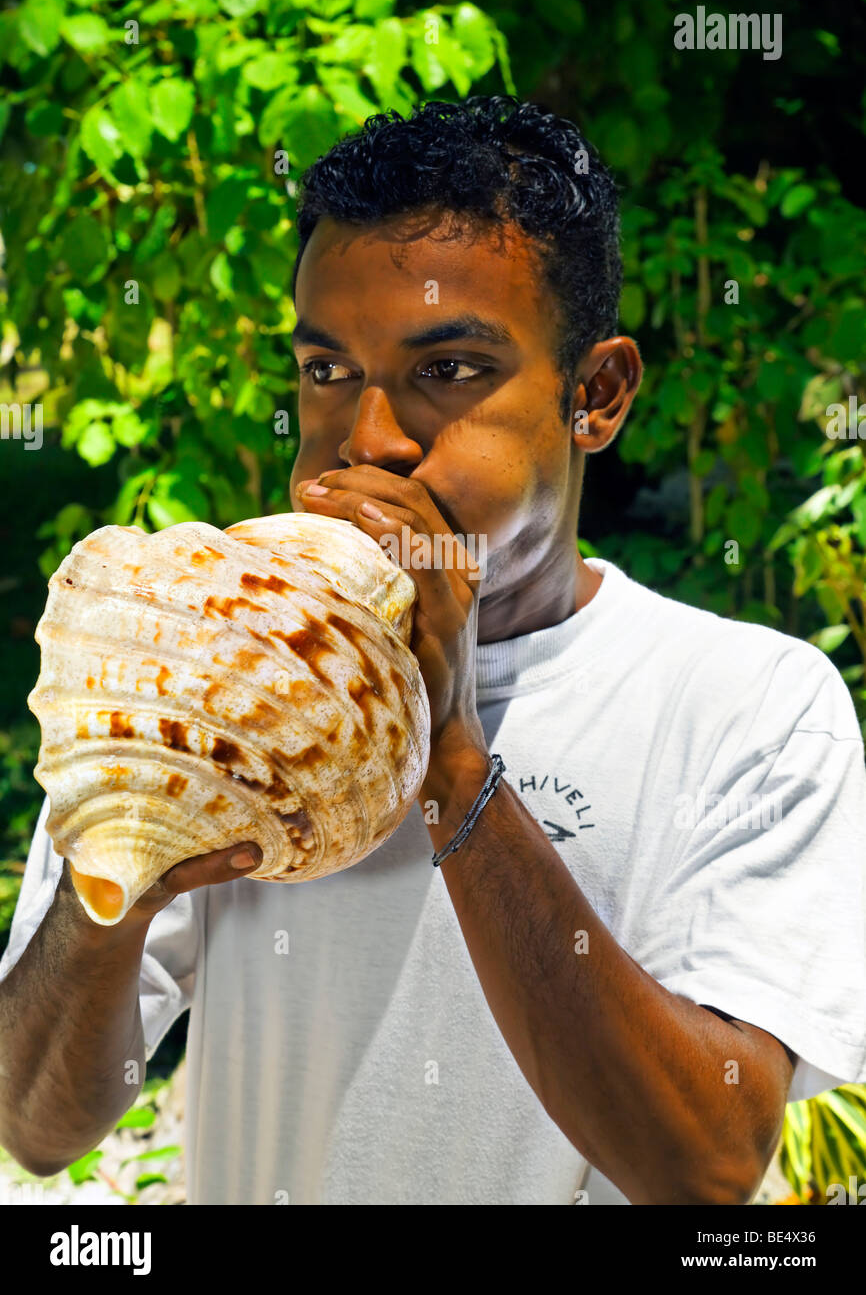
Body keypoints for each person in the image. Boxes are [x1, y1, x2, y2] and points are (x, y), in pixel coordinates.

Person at [1, 96, 864, 1205]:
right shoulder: (208, 665)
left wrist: (451, 759)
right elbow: (35, 1125)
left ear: (593, 396)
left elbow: (702, 1167)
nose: (369, 439)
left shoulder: (748, 704)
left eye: (447, 369)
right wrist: (121, 841)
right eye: (326, 372)